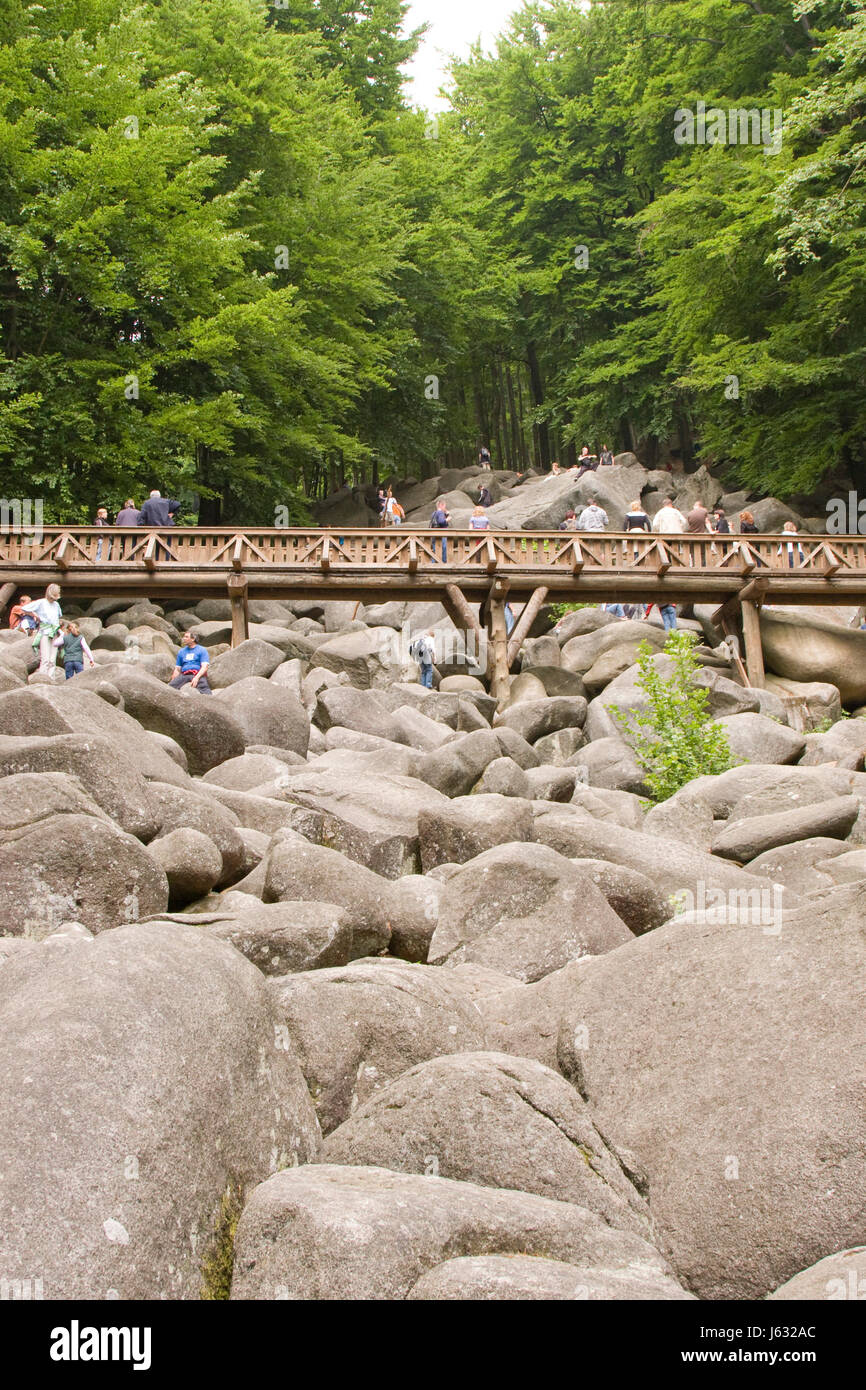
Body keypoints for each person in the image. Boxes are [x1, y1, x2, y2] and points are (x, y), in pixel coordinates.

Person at [22, 584, 63, 675]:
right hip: (45, 632)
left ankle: (50, 678)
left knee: (52, 659)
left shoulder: (56, 605)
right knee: (45, 658)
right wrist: (35, 615)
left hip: (54, 632)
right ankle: (43, 677)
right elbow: (24, 608)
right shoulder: (41, 602)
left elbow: (58, 617)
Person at [430, 498, 450, 562]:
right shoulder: (440, 512)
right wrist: (447, 519)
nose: (445, 508)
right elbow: (441, 522)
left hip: (434, 533)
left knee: (435, 549)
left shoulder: (434, 513)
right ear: (441, 505)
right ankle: (443, 563)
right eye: (444, 506)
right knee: (443, 549)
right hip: (441, 534)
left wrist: (446, 515)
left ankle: (433, 563)